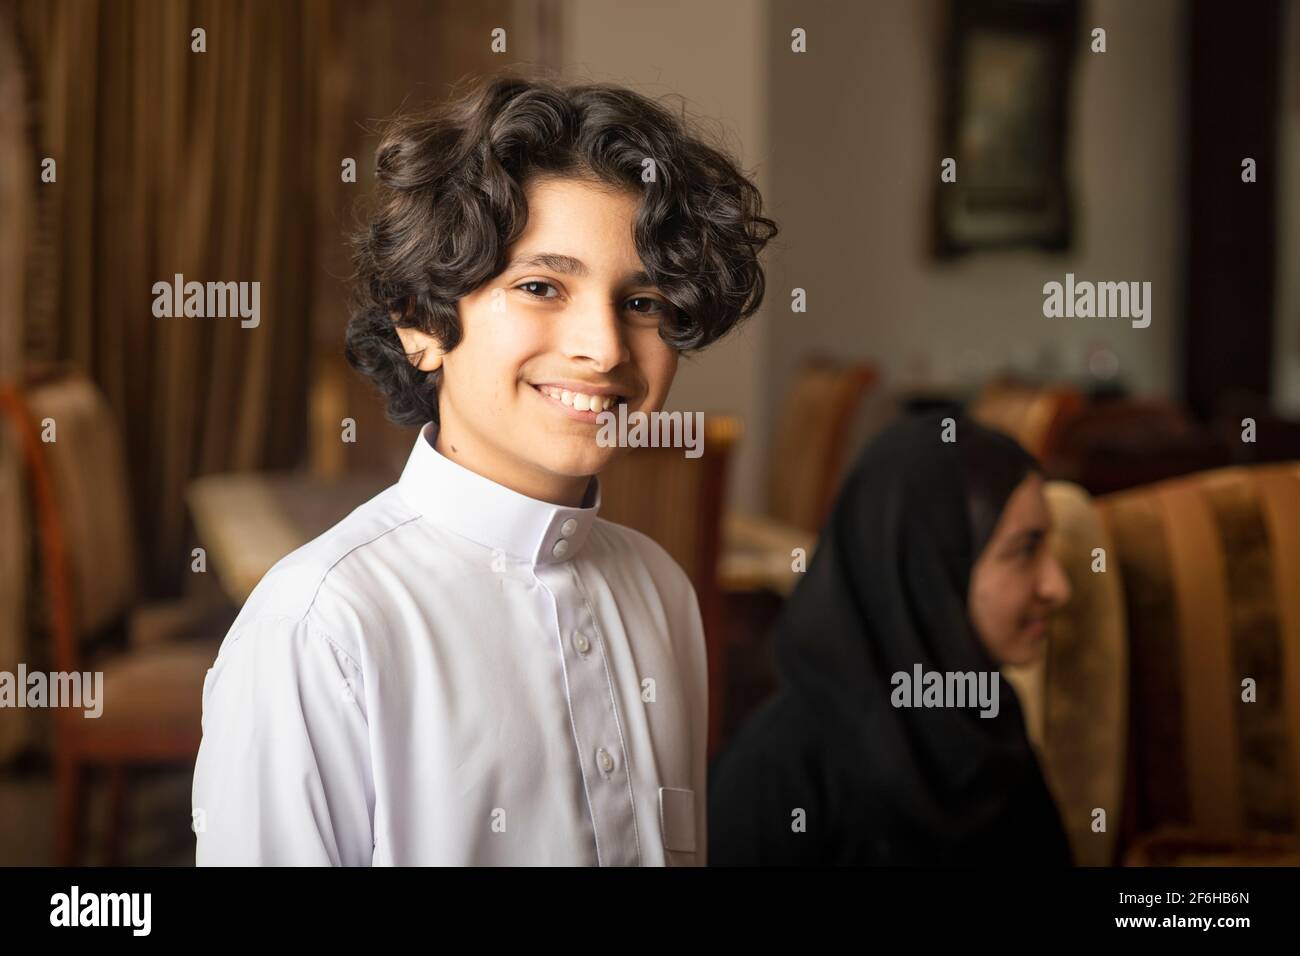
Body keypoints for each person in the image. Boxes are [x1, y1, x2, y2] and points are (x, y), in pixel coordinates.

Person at [192, 73, 776, 865]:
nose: (603, 348)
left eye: (641, 303)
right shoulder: (322, 627)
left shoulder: (662, 591)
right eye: (541, 287)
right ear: (422, 323)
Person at [708, 412, 1074, 866]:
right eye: (1025, 549)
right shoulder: (778, 774)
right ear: (928, 572)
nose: (1058, 586)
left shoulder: (989, 718)